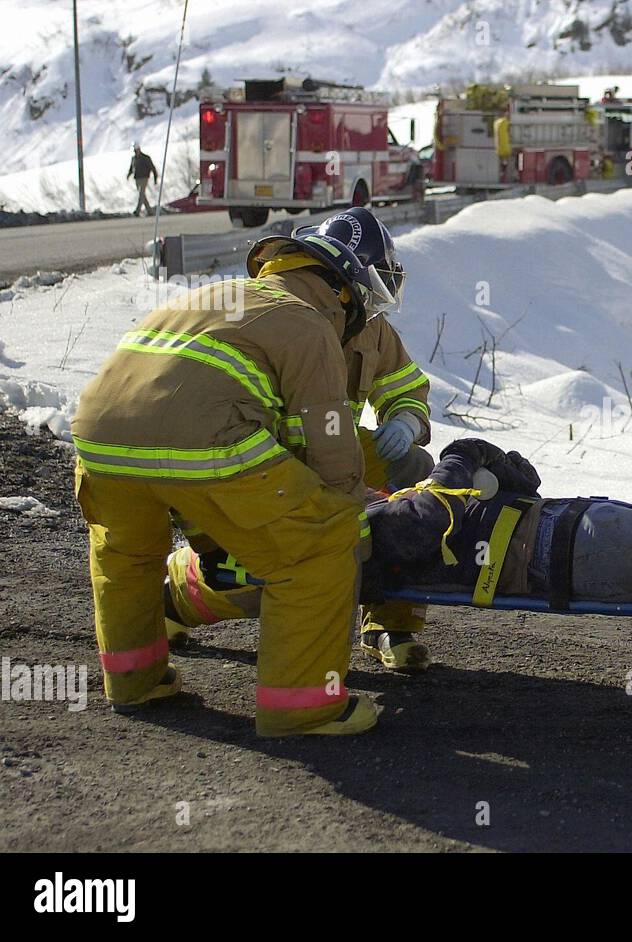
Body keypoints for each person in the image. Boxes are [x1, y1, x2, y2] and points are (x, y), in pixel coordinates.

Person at [71, 207, 404, 736]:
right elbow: (328, 439)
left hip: (99, 436)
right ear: (346, 288)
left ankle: (135, 683)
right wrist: (348, 511)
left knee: (127, 554)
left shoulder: (213, 296)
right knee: (319, 544)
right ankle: (303, 707)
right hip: (203, 442)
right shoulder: (310, 325)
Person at [164, 208, 437, 673]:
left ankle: (390, 622)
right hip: (265, 459)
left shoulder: (371, 328)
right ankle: (174, 597)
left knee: (411, 483)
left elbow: (406, 386)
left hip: (333, 452)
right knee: (294, 556)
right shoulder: (278, 311)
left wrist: (405, 423)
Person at [163, 439, 632, 658]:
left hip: (573, 530)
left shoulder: (355, 520)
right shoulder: (349, 537)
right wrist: (463, 455)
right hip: (571, 548)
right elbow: (424, 522)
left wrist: (493, 466)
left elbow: (523, 483)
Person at [127, 144, 158, 217]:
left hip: (144, 178)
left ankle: (137, 211)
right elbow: (131, 168)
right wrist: (128, 175)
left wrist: (155, 179)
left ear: (139, 149)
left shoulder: (146, 158)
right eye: (134, 150)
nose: (135, 152)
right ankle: (150, 211)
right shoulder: (133, 158)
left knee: (141, 193)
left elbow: (153, 168)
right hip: (137, 179)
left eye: (136, 150)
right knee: (142, 195)